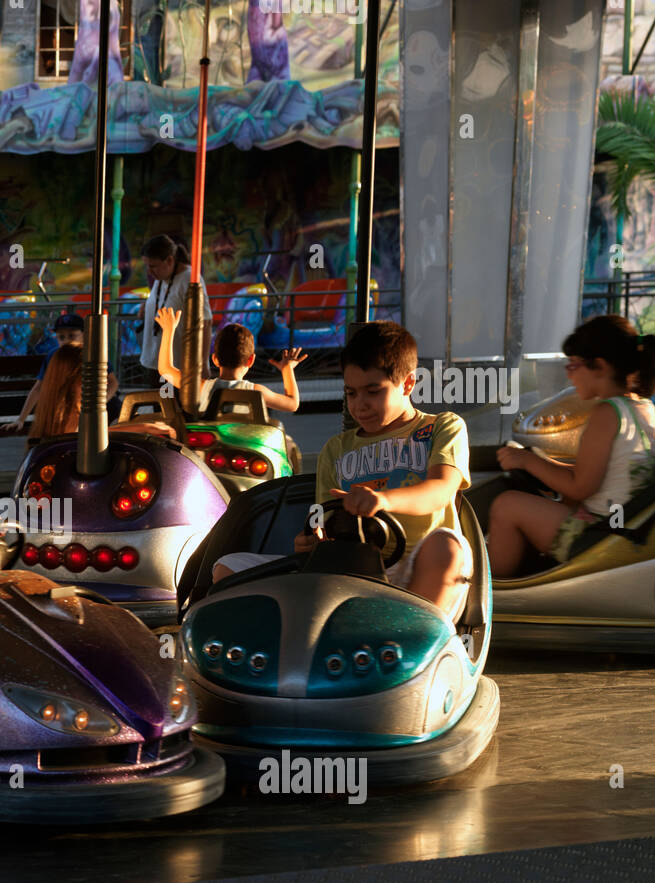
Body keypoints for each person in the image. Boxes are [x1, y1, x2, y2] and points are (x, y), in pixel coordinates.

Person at [213, 321, 474, 620]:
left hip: (414, 567)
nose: (360, 405)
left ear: (407, 384)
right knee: (227, 567)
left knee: (447, 547)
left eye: (372, 392)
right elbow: (323, 519)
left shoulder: (442, 427)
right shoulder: (336, 449)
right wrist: (311, 541)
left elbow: (441, 490)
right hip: (350, 571)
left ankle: (410, 634)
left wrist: (383, 500)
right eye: (351, 393)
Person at [489, 315, 655, 575]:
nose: (569, 374)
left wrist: (528, 461)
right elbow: (595, 473)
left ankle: (493, 591)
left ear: (600, 366)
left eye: (573, 364)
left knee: (506, 506)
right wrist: (540, 461)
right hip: (624, 525)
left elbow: (581, 487)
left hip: (601, 534)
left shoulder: (607, 413)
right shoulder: (643, 408)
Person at [154, 307, 305, 415]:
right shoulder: (257, 392)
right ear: (251, 360)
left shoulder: (200, 387)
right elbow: (292, 404)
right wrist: (287, 369)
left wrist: (169, 329)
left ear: (215, 359)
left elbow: (165, 369)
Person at [2, 312, 119, 432]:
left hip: (100, 404)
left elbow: (113, 382)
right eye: (61, 337)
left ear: (84, 335)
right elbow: (38, 388)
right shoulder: (54, 357)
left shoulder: (93, 354)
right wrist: (21, 419)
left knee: (115, 425)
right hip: (70, 410)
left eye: (72, 336)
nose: (66, 341)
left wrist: (100, 403)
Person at [138, 234, 211, 388]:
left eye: (153, 266)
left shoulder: (190, 280)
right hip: (154, 362)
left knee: (171, 403)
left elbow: (206, 322)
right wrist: (147, 306)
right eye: (147, 266)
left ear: (170, 260)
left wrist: (204, 364)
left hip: (176, 366)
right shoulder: (162, 277)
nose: (149, 271)